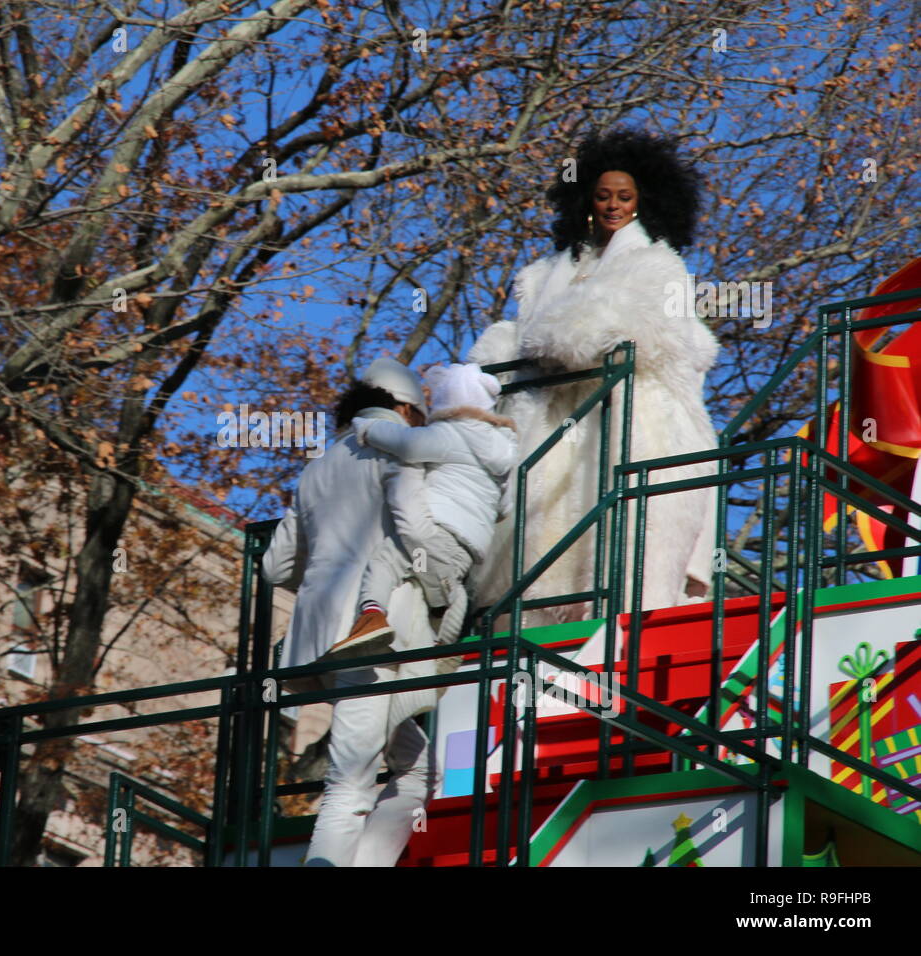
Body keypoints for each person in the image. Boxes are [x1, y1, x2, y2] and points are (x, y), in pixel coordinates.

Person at [467, 128, 719, 625]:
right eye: (603, 195)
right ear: (586, 198)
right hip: (550, 425)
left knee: (618, 541)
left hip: (628, 419)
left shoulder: (658, 264)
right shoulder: (544, 274)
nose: (613, 205)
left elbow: (644, 335)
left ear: (643, 201)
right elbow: (519, 341)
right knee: (535, 542)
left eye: (624, 196)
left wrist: (560, 338)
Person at [261, 357, 440, 867]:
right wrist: (446, 578)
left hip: (316, 642)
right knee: (351, 784)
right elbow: (415, 529)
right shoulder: (397, 448)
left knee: (419, 769)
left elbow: (274, 568)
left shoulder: (316, 468)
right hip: (368, 636)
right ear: (405, 409)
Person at [326, 364, 518, 661]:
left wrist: (368, 427)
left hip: (441, 527)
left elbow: (408, 444)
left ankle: (371, 616)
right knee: (448, 585)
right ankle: (445, 649)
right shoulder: (502, 451)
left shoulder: (449, 433)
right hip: (471, 544)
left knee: (387, 559)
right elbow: (505, 507)